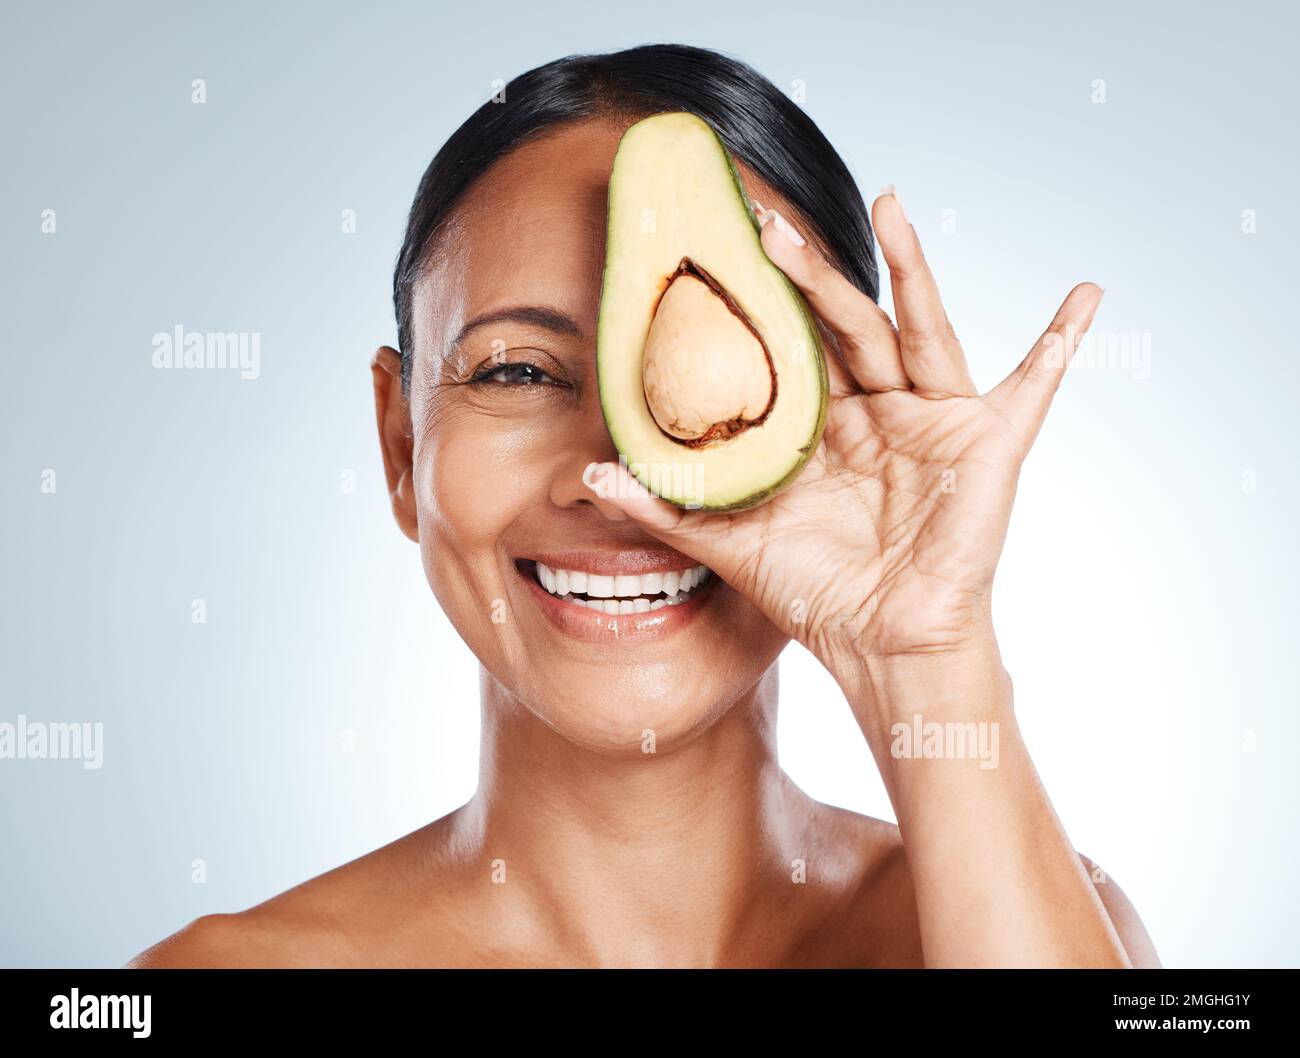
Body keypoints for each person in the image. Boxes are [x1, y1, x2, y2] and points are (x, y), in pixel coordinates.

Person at [130, 43, 1158, 968]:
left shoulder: (1047, 927)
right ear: (401, 445)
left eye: (711, 367)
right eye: (521, 373)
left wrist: (928, 657)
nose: (619, 478)